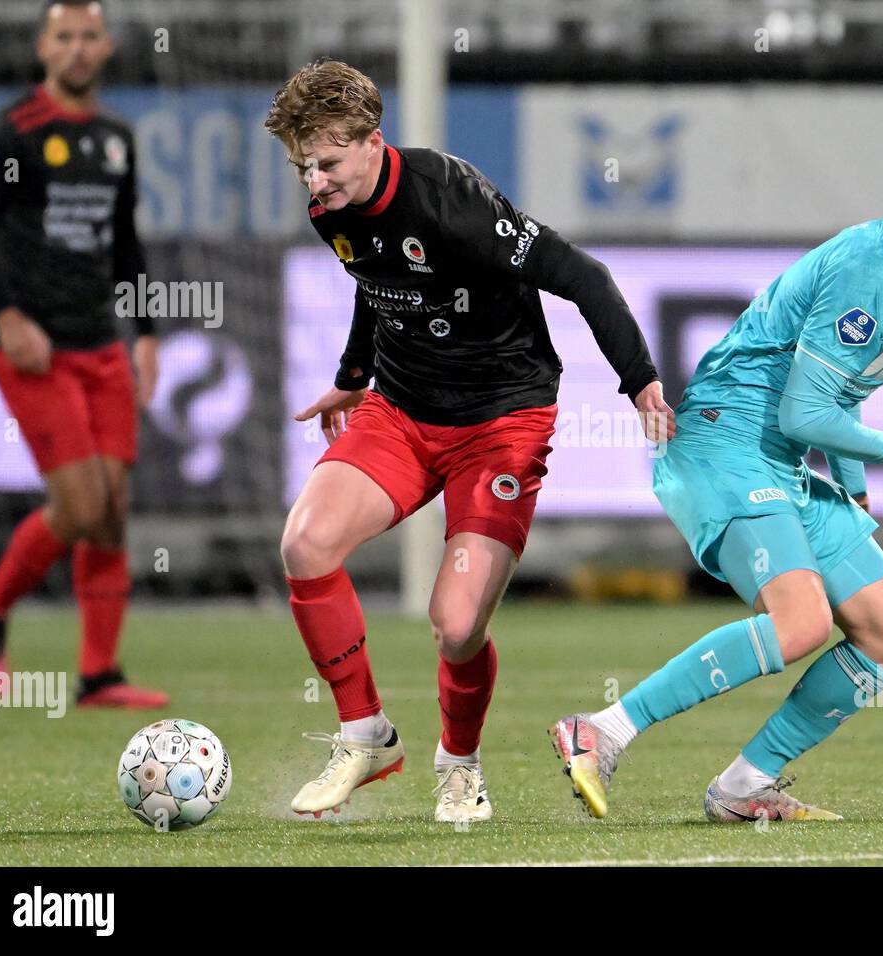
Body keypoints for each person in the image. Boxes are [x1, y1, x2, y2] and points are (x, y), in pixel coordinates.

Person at [263, 59, 674, 823]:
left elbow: (581, 274)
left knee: (456, 625)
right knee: (305, 543)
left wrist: (639, 379)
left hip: (501, 422)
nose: (314, 182)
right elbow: (375, 283)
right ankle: (366, 735)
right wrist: (356, 373)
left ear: (372, 142)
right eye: (303, 167)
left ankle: (459, 764)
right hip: (403, 409)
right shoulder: (333, 211)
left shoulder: (452, 202)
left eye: (326, 163)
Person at [550, 137, 883, 821]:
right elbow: (804, 408)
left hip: (782, 458)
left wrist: (852, 494)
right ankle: (603, 730)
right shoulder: (866, 268)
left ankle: (742, 788)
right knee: (801, 625)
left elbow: (839, 399)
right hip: (723, 441)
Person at [0, 0, 166, 709]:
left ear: (107, 47)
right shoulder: (13, 132)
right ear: (42, 48)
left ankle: (99, 675)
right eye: (64, 37)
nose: (77, 49)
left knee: (111, 508)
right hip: (33, 350)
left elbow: (126, 244)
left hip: (100, 343)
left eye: (89, 36)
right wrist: (9, 314)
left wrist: (144, 332)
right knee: (78, 505)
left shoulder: (115, 138)